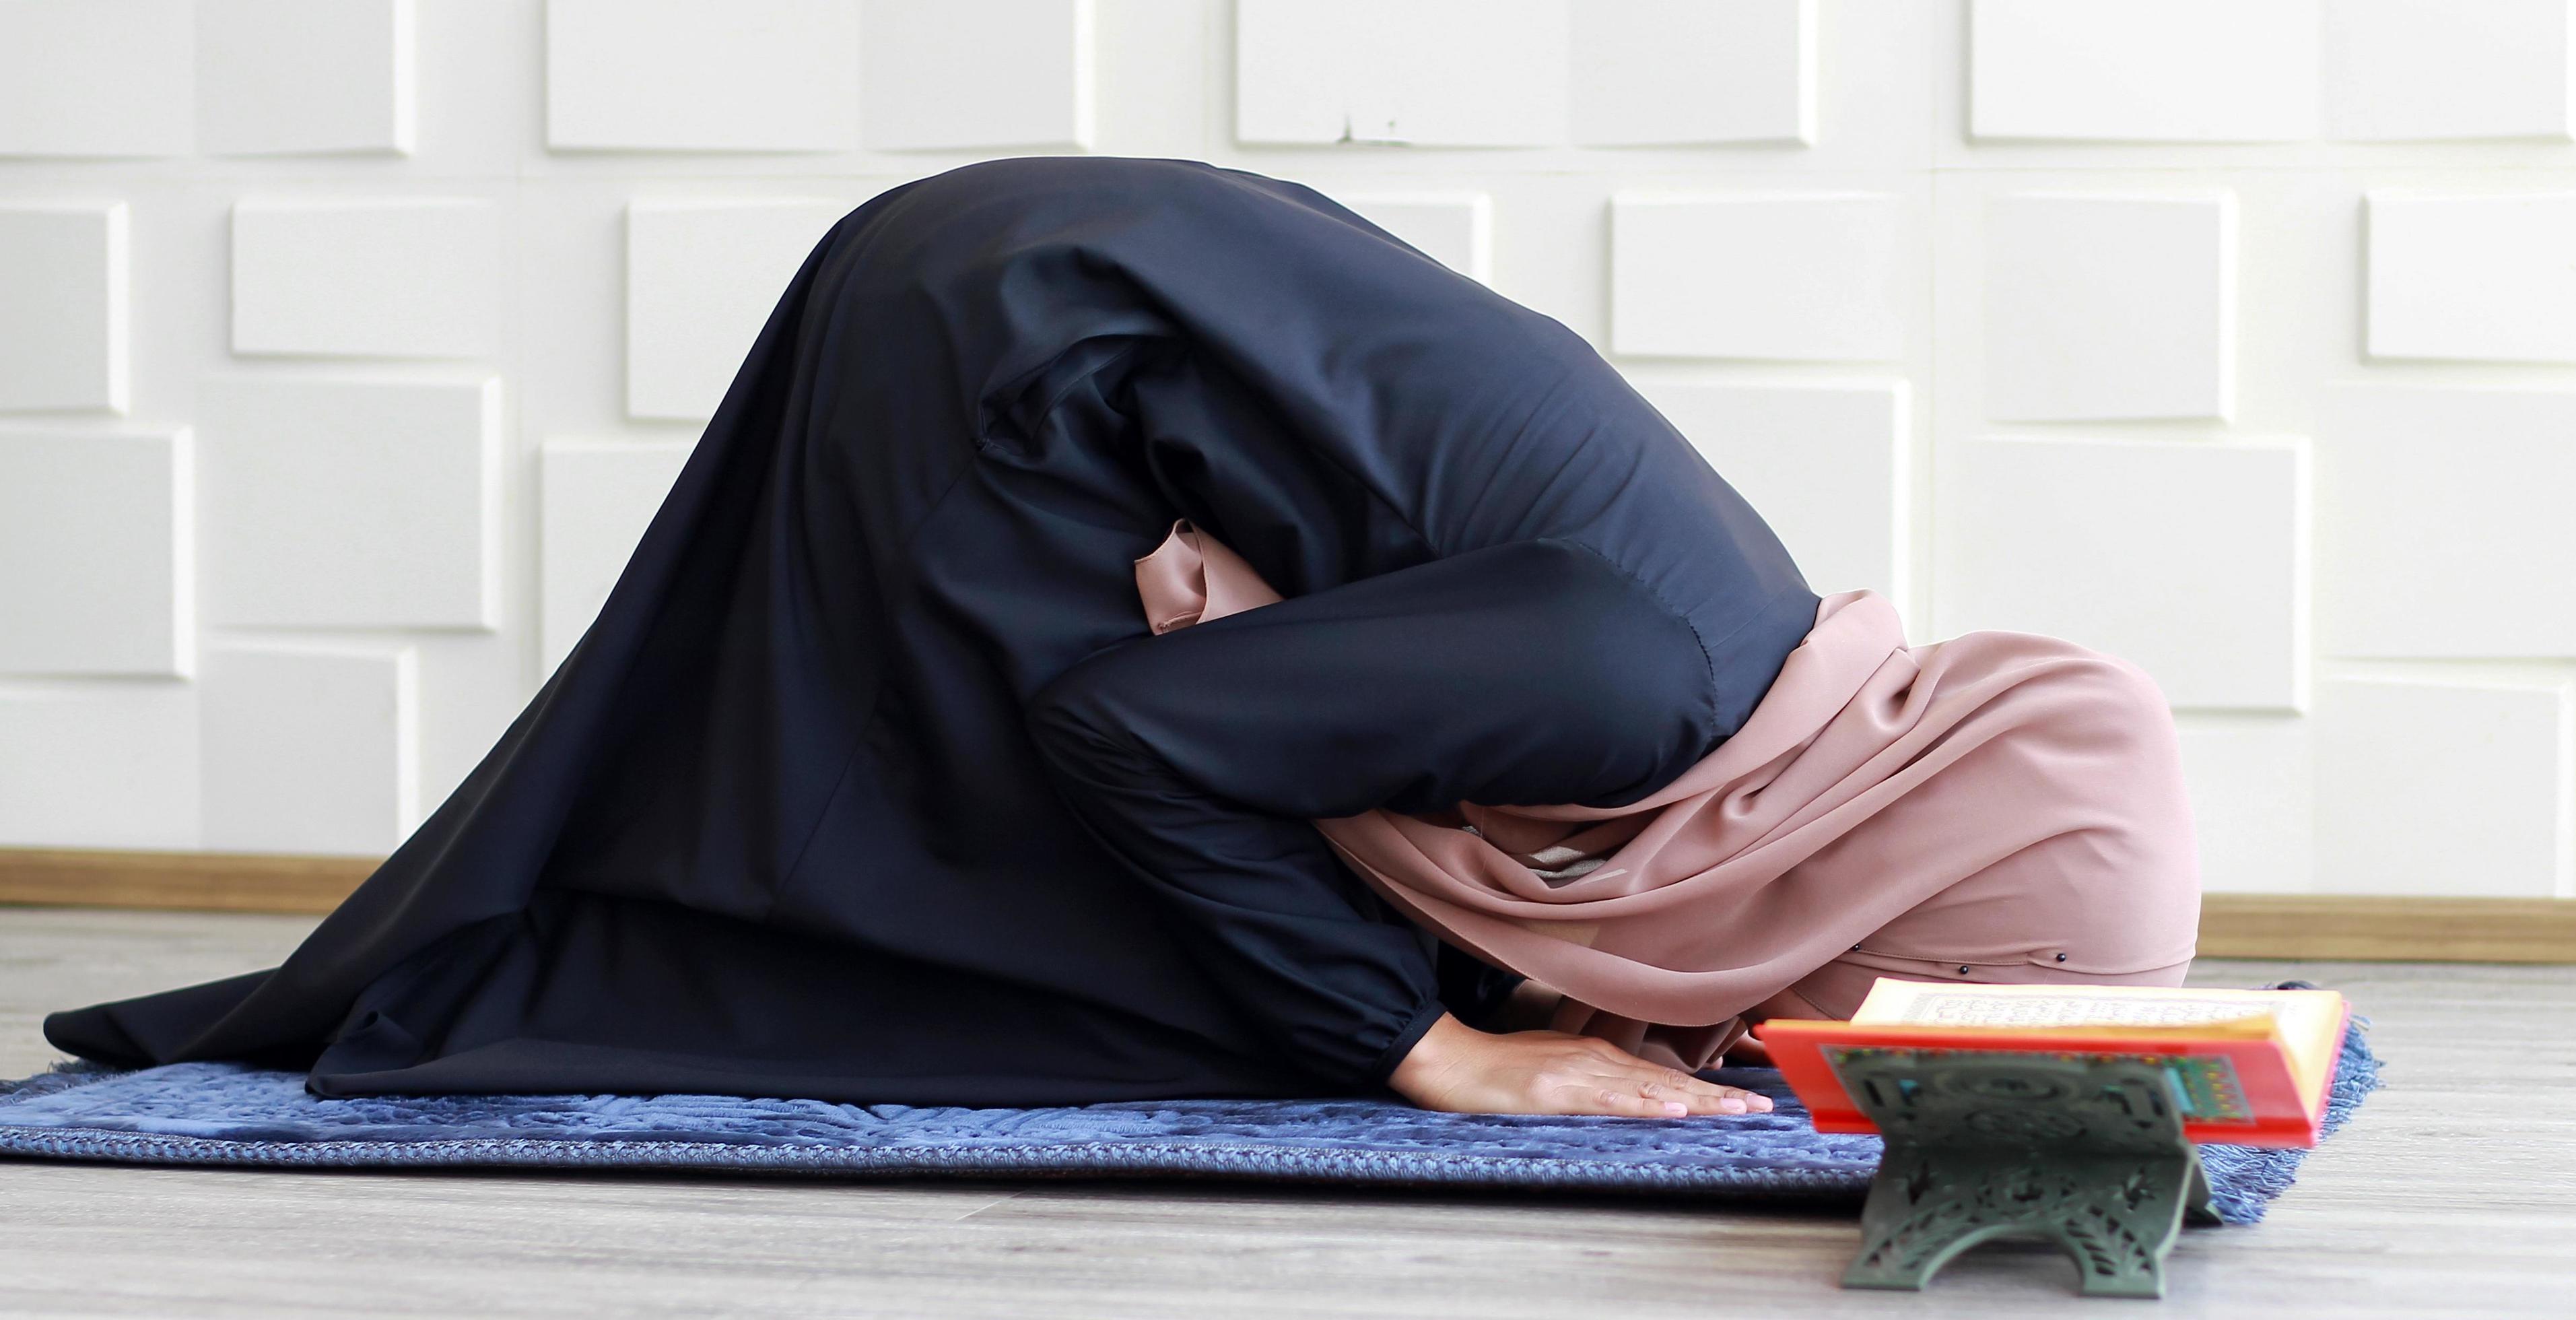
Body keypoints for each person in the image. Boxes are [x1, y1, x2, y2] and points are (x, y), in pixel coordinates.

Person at [44, 156, 2199, 1120]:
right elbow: (1136, 731)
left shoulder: (1745, 696)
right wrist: (1426, 1051)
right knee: (1133, 976)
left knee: (1195, 909)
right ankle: (479, 1001)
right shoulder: (1644, 683)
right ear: (1910, 863)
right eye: (1937, 983)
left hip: (1072, 279)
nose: (1851, 1033)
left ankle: (494, 961)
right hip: (1015, 346)